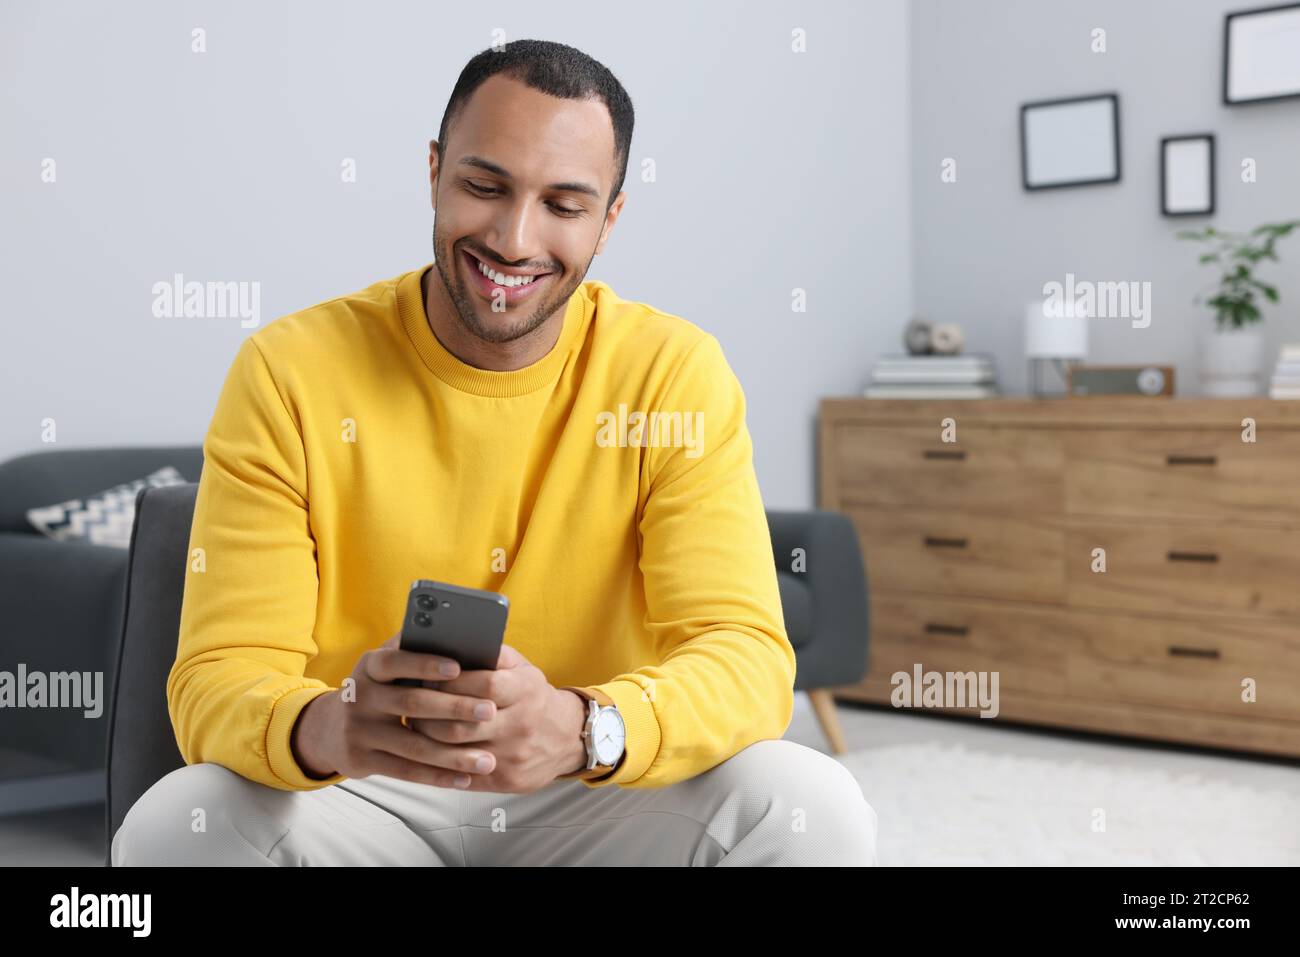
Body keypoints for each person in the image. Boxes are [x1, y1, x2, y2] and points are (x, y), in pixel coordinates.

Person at [112, 39, 877, 866]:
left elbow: (746, 653)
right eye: (485, 186)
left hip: (594, 787)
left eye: (564, 204)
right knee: (171, 826)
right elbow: (218, 678)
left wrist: (586, 726)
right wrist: (331, 724)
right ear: (434, 172)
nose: (514, 239)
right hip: (357, 790)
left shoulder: (673, 374)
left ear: (609, 219)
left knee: (814, 806)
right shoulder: (288, 371)